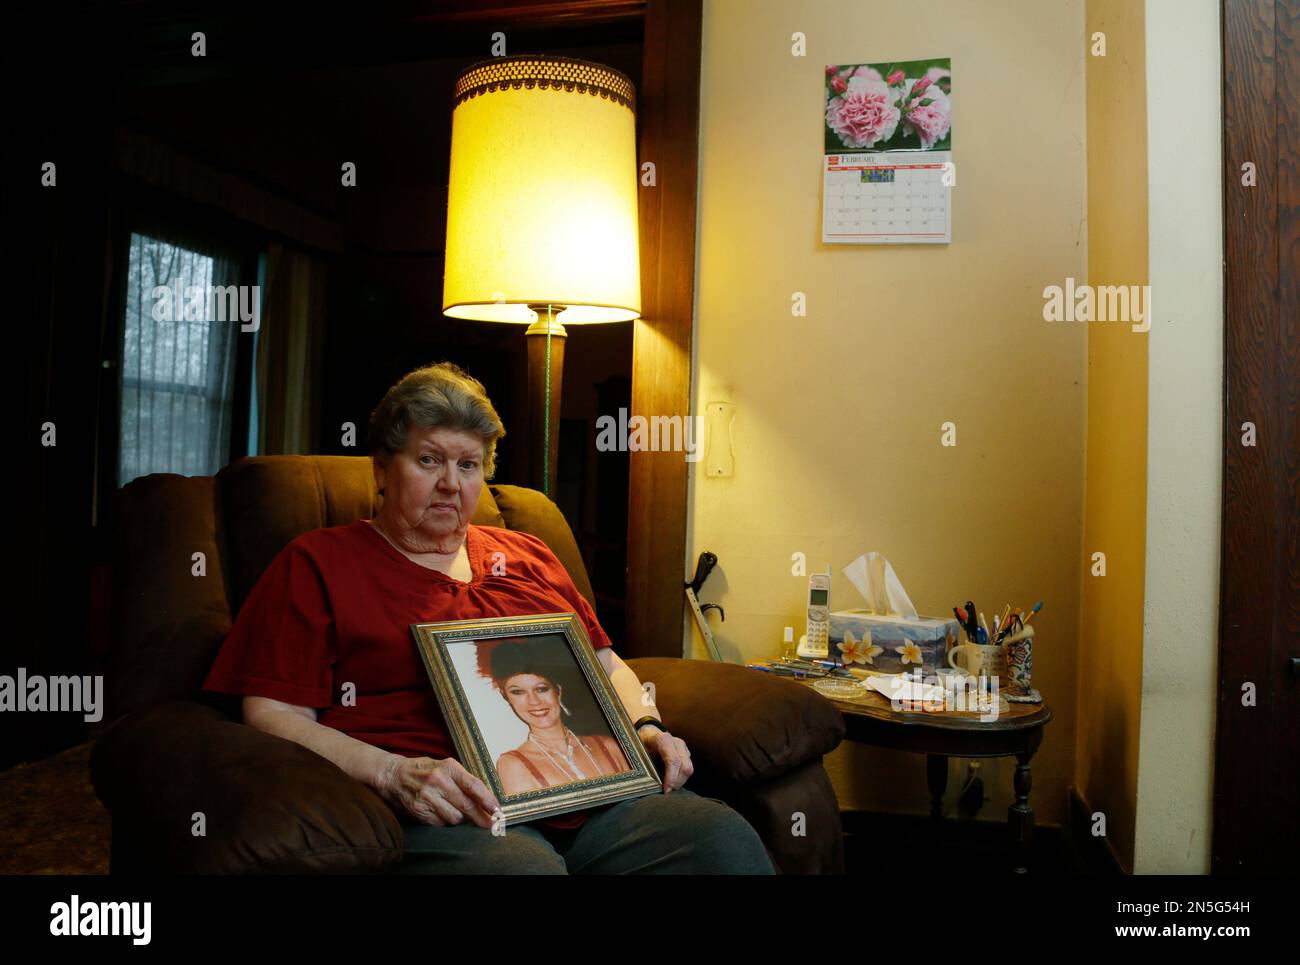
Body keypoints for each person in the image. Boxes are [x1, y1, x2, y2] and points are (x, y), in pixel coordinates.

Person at [202, 361, 774, 874]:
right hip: (450, 806)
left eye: (468, 465)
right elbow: (271, 711)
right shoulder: (319, 562)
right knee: (522, 870)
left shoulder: (528, 553)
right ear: (381, 470)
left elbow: (605, 663)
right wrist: (391, 773)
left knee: (718, 837)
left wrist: (646, 726)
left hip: (591, 793)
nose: (451, 483)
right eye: (429, 460)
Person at [483, 639, 630, 793]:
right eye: (518, 692)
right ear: (506, 697)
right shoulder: (512, 765)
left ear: (558, 691)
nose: (533, 701)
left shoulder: (608, 746)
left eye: (541, 689)